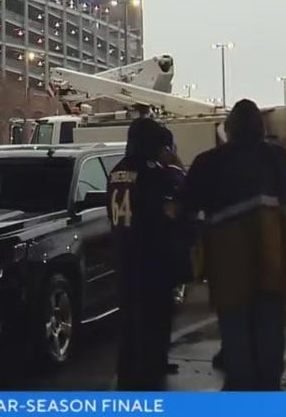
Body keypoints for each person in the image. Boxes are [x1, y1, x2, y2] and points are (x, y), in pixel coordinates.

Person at [180, 99, 286, 391]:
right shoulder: (279, 159)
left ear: (229, 129)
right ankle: (268, 390)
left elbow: (186, 207)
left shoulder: (208, 162)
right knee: (270, 326)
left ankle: (241, 390)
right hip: (271, 262)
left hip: (228, 266)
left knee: (235, 328)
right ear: (261, 128)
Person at [107, 117, 191, 390]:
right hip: (151, 256)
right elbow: (172, 206)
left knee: (129, 318)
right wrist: (175, 164)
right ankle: (151, 371)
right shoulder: (153, 173)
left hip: (124, 253)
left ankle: (127, 371)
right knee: (155, 317)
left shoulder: (117, 171)